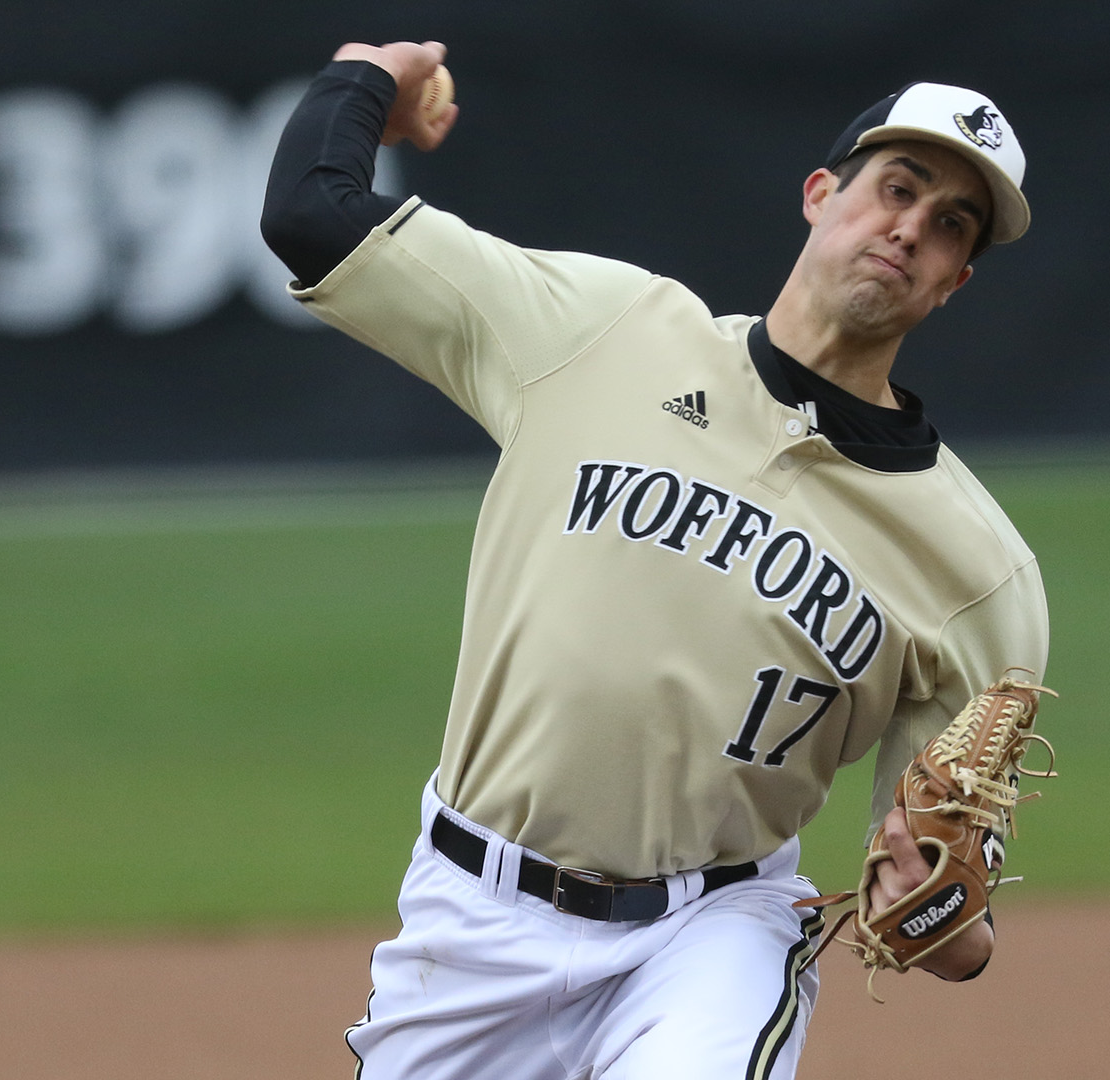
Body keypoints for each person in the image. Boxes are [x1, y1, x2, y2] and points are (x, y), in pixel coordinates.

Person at [261, 38, 1049, 1079]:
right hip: (471, 917)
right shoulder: (601, 330)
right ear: (821, 195)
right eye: (897, 187)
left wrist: (940, 916)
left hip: (713, 934)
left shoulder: (980, 572)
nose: (911, 227)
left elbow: (949, 915)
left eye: (952, 225)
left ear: (956, 280)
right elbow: (311, 216)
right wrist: (370, 72)